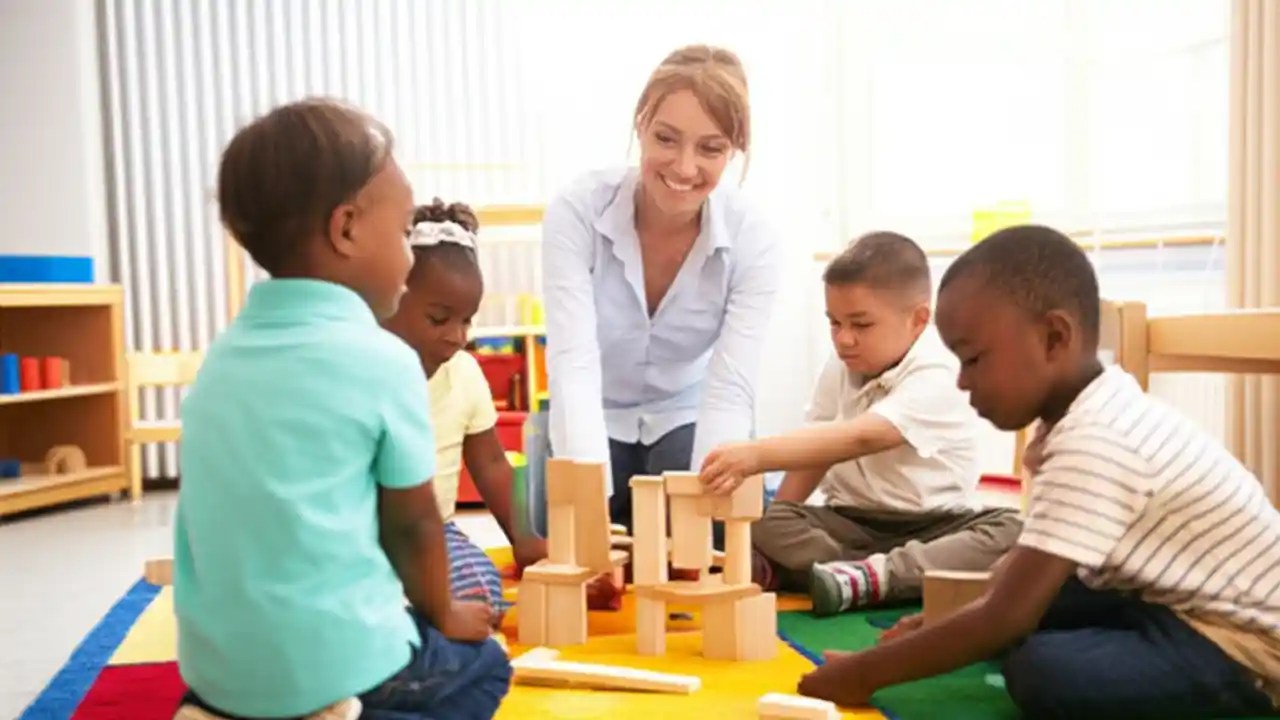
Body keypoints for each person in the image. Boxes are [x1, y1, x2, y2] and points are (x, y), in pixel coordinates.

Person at [798, 225, 1280, 719]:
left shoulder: (1099, 437)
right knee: (1033, 596)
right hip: (1167, 599)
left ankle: (1243, 687)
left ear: (1054, 337)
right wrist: (939, 621)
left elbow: (1006, 615)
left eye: (975, 359)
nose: (963, 381)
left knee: (1041, 669)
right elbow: (1022, 574)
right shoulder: (1087, 411)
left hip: (1246, 641)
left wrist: (862, 673)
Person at [173, 98, 511, 720]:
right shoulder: (382, 362)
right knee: (485, 669)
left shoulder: (221, 361)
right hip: (337, 665)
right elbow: (411, 527)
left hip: (219, 673)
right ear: (348, 228)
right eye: (402, 230)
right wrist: (446, 614)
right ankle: (336, 707)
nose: (410, 257)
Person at [700, 232, 1021, 615]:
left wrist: (757, 454)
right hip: (849, 523)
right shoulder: (841, 365)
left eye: (861, 325)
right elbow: (816, 451)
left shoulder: (941, 369)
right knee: (767, 520)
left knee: (1014, 530)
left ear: (918, 320)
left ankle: (867, 576)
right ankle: (864, 576)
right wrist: (769, 528)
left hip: (936, 524)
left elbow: (863, 437)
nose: (844, 339)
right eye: (834, 323)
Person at [541, 44, 780, 532]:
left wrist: (703, 521)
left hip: (683, 415)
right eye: (666, 139)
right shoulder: (577, 210)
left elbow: (731, 386)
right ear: (641, 127)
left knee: (711, 530)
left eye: (710, 148)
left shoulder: (753, 237)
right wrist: (587, 511)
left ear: (734, 151)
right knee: (561, 530)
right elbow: (574, 364)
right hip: (595, 413)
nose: (685, 167)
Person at [382, 197, 548, 622]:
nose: (457, 336)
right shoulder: (365, 375)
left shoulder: (465, 374)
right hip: (362, 537)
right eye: (439, 319)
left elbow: (491, 463)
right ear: (389, 302)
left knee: (479, 591)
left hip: (434, 532)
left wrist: (528, 542)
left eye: (467, 320)